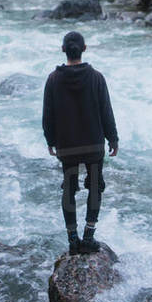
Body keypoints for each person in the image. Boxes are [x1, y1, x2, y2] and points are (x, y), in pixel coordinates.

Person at [42, 30, 118, 255]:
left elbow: (48, 115)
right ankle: (89, 235)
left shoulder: (53, 79)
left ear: (63, 49)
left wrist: (50, 140)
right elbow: (106, 111)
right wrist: (113, 138)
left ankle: (72, 239)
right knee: (95, 186)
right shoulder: (96, 77)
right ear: (84, 49)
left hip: (67, 146)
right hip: (93, 145)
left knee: (69, 188)